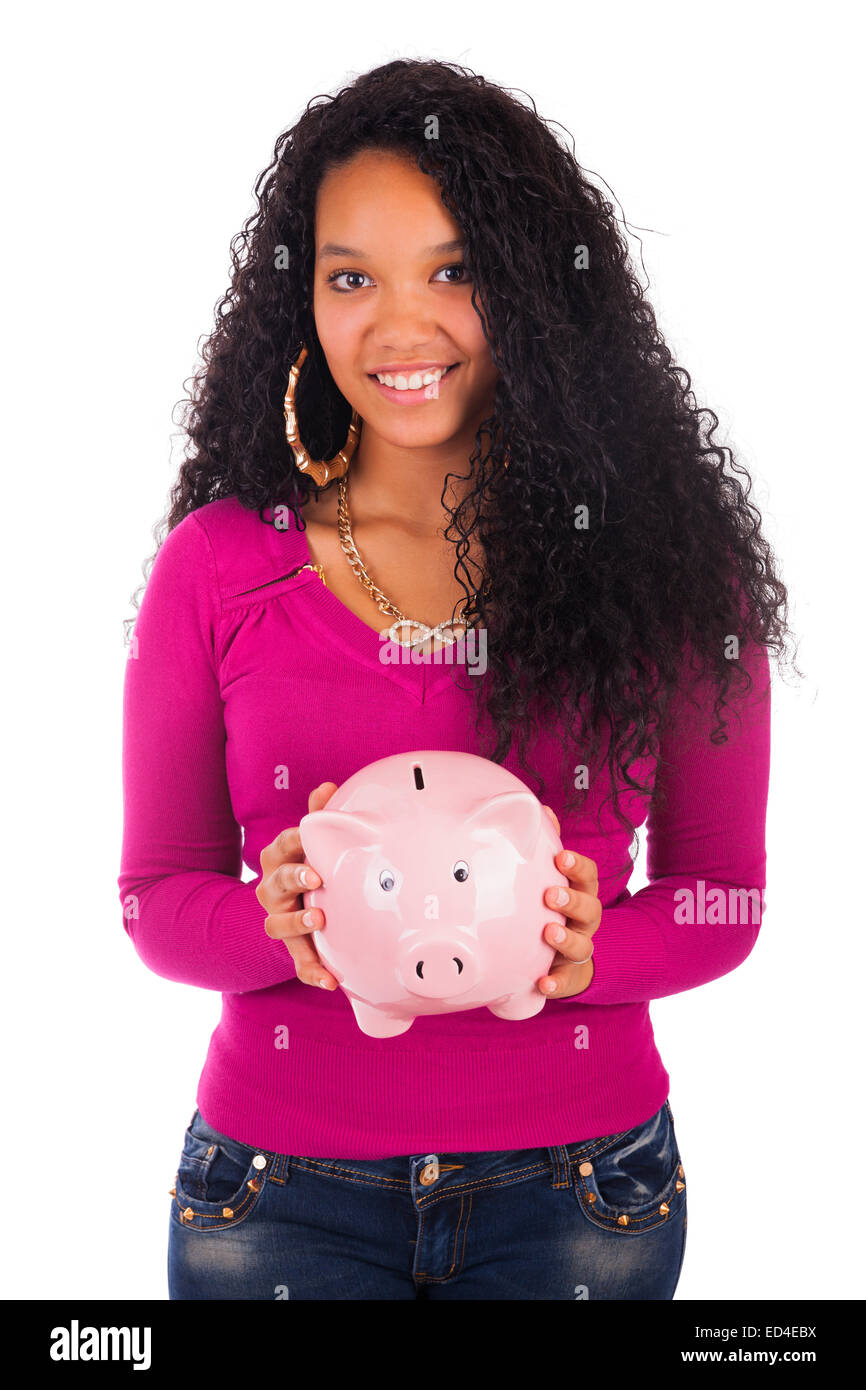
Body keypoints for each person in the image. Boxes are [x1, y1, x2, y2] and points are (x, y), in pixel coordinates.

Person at [118, 58, 786, 1301]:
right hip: (275, 1193)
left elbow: (723, 895)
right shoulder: (217, 567)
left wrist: (592, 955)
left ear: (534, 293)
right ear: (302, 304)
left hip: (580, 1189)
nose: (398, 325)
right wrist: (267, 923)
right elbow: (154, 896)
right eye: (350, 277)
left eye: (454, 270)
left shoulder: (660, 567)